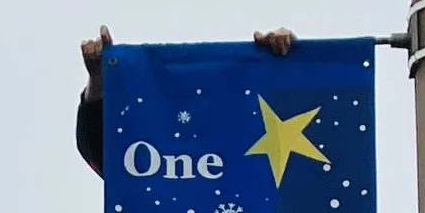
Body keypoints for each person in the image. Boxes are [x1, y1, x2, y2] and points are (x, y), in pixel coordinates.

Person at [74, 24, 299, 174]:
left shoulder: (269, 161)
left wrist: (290, 64)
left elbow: (320, 133)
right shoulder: (158, 174)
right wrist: (99, 78)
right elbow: (100, 147)